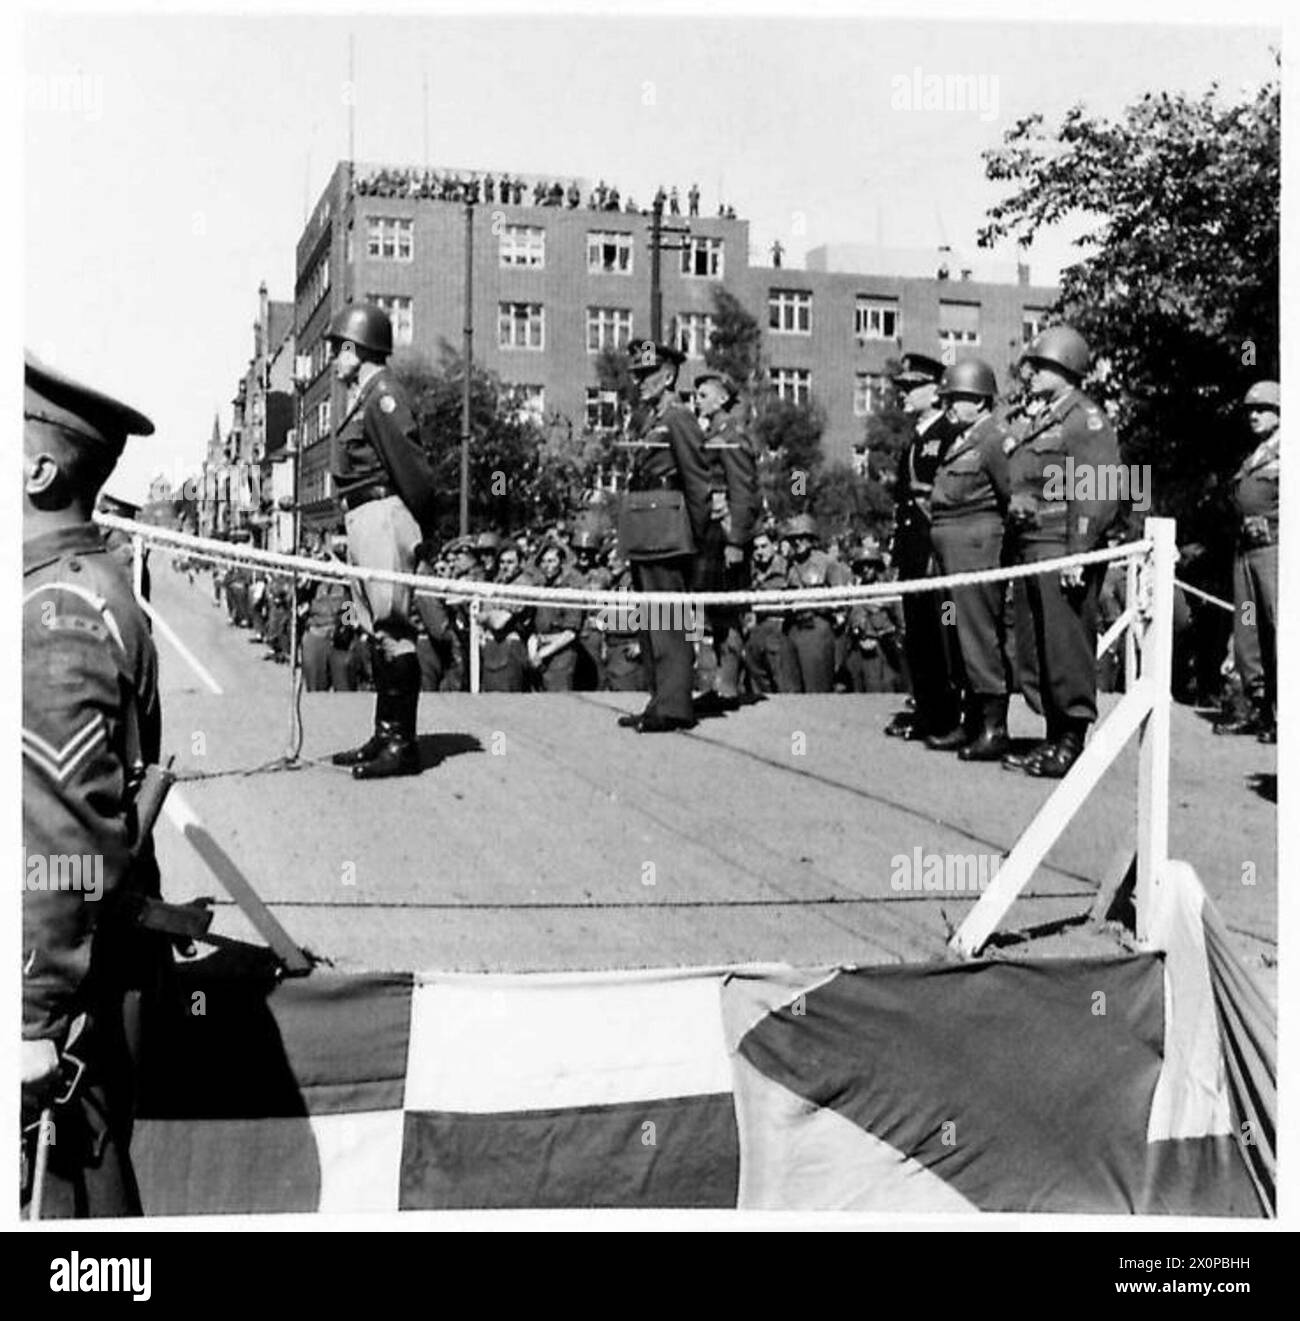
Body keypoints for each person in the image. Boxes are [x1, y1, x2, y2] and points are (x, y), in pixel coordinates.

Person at [22, 352, 169, 1218]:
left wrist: (31, 1016)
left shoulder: (53, 614)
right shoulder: (90, 586)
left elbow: (62, 851)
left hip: (58, 1009)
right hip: (95, 980)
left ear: (38, 469)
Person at [1003, 324, 1122, 778]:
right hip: (1034, 546)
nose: (1030, 373)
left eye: (1041, 366)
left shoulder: (1084, 420)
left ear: (1065, 367)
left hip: (1062, 546)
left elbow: (1098, 488)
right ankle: (1053, 738)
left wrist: (1079, 550)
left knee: (1066, 645)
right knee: (1037, 648)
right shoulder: (1045, 418)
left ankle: (1071, 738)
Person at [326, 302, 437, 779]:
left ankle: (401, 745)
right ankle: (384, 732)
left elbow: (411, 469)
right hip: (364, 518)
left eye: (339, 349)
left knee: (393, 626)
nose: (334, 358)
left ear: (359, 348)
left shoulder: (383, 396)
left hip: (385, 516)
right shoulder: (363, 395)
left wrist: (421, 529)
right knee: (376, 628)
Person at [617, 339, 713, 731]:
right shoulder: (650, 420)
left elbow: (698, 483)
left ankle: (674, 707)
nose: (639, 382)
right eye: (636, 375)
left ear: (669, 375)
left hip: (669, 533)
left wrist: (696, 537)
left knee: (669, 622)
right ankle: (659, 701)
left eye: (647, 374)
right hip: (645, 532)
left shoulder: (678, 418)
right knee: (651, 621)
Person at [925, 358, 1014, 759]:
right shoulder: (961, 439)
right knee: (955, 635)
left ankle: (995, 728)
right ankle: (971, 722)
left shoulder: (994, 439)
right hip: (949, 551)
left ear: (980, 401)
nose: (949, 406)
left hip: (976, 548)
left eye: (957, 398)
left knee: (978, 635)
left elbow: (1012, 495)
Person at [885, 351, 960, 740]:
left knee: (940, 633)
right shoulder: (916, 438)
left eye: (912, 387)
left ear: (936, 392)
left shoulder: (946, 435)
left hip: (935, 552)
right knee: (919, 634)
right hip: (915, 551)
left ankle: (945, 714)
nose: (904, 394)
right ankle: (927, 709)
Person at [1214, 380, 1280, 742]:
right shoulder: (1256, 454)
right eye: (1250, 410)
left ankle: (1280, 713)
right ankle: (1255, 705)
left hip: (1273, 553)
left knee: (1276, 628)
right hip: (1246, 555)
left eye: (1262, 409)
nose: (1253, 416)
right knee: (1248, 628)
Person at [694, 369, 761, 701]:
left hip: (725, 535)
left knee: (729, 611)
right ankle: (721, 682)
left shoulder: (731, 433)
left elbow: (743, 490)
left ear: (722, 399)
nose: (697, 401)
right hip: (712, 533)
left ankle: (729, 685)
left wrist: (736, 541)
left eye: (704, 395)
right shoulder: (714, 432)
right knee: (715, 611)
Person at [782, 514, 853, 692]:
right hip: (793, 628)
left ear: (811, 538)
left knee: (817, 688)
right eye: (792, 539)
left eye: (801, 538)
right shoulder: (790, 565)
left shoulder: (827, 563)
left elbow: (841, 599)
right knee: (792, 688)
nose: (796, 543)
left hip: (817, 627)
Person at [742, 527, 798, 693]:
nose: (759, 552)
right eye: (756, 548)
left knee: (786, 689)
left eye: (764, 546)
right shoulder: (750, 572)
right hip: (755, 634)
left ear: (775, 545)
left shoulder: (788, 569)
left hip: (780, 633)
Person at [528, 542, 584, 690]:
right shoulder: (540, 588)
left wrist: (542, 653)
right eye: (544, 561)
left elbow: (570, 633)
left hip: (561, 655)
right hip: (539, 655)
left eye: (552, 561)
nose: (547, 566)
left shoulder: (570, 589)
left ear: (561, 563)